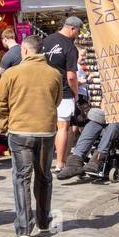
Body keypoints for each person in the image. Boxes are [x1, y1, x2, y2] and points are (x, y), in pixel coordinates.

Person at [0, 34, 63, 237]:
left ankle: (24, 227)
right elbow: (57, 101)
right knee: (44, 177)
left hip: (20, 131)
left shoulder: (12, 73)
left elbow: (1, 104)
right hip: (45, 131)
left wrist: (5, 126)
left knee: (22, 178)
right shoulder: (54, 74)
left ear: (24, 50)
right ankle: (43, 219)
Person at [42, 16, 82, 173]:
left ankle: (42, 163)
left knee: (45, 128)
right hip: (63, 91)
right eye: (78, 32)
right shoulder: (70, 47)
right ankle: (60, 163)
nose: (78, 35)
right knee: (62, 128)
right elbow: (71, 76)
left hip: (44, 90)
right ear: (73, 29)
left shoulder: (46, 41)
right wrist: (76, 93)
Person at [57, 109, 119, 180]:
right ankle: (74, 162)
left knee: (114, 125)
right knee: (92, 124)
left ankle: (97, 159)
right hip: (109, 115)